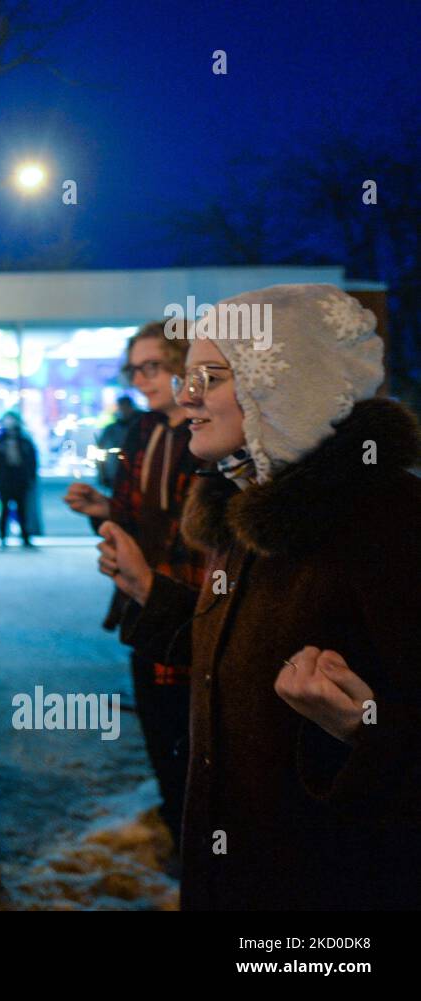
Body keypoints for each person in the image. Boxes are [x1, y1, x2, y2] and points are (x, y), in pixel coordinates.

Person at [98, 284, 421, 910]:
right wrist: (149, 593)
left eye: (210, 378)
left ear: (283, 384)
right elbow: (239, 662)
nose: (186, 397)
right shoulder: (248, 507)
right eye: (186, 376)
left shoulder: (386, 521)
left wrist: (364, 728)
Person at [62, 321, 202, 849]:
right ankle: (176, 828)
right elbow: (134, 516)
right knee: (160, 732)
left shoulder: (210, 431)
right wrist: (103, 512)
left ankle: (202, 845)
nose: (141, 380)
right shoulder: (142, 431)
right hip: (142, 608)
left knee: (197, 738)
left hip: (192, 604)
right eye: (134, 368)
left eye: (153, 367)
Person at [0, 411, 39, 547]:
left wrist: (30, 477)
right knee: (4, 509)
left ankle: (25, 536)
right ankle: (3, 536)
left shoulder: (24, 441)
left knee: (22, 509)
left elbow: (32, 461)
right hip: (4, 481)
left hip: (20, 480)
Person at [96, 394, 142, 489]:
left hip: (134, 473)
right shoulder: (111, 429)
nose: (124, 410)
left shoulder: (141, 426)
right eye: (122, 407)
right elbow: (101, 452)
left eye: (126, 407)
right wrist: (103, 474)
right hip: (115, 473)